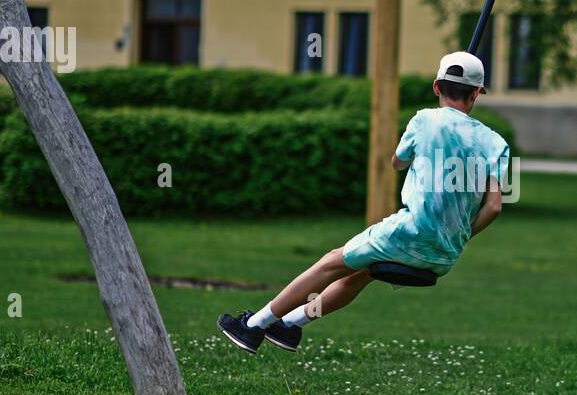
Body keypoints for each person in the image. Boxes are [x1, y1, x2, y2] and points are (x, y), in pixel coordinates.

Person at [218, 52, 510, 354]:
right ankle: (290, 325)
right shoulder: (496, 143)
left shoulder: (424, 120)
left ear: (436, 87)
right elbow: (494, 207)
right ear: (476, 92)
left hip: (408, 233)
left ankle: (253, 326)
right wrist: (458, 236)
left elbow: (397, 163)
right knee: (362, 272)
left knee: (331, 262)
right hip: (445, 256)